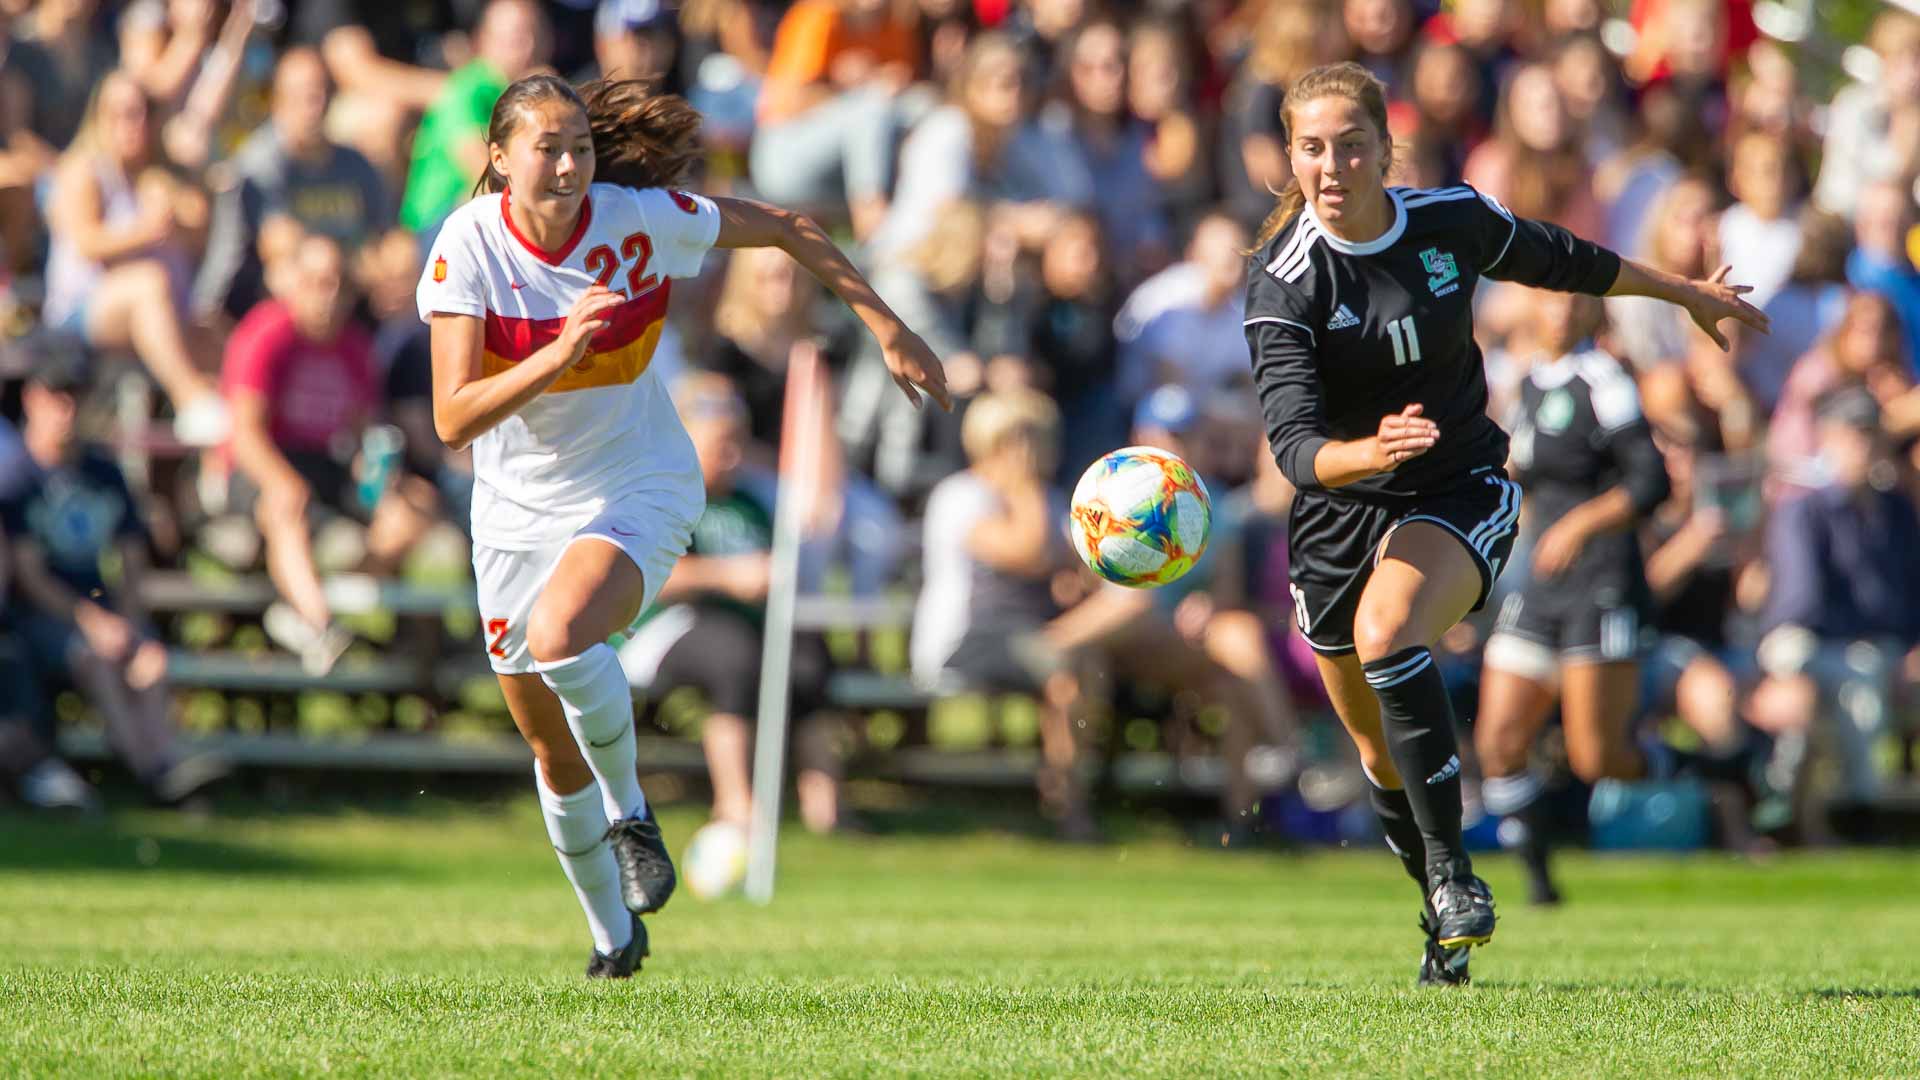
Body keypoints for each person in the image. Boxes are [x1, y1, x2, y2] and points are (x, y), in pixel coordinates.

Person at [1242, 61, 1764, 985]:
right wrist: (1369, 451)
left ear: (1385, 149)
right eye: (1312, 148)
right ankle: (1441, 922)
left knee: (1388, 633)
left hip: (1458, 488)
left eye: (1351, 145)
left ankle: (1455, 879)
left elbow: (1564, 258)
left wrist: (1680, 290)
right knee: (1375, 750)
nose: (1332, 166)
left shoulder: (1448, 219)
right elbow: (1294, 449)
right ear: (1290, 156)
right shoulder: (1282, 281)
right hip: (1338, 513)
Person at [417, 73, 947, 979]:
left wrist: (886, 326)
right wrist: (560, 352)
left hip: (640, 484)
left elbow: (788, 227)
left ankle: (632, 817)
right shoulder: (468, 244)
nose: (569, 166)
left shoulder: (637, 220)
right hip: (513, 515)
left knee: (561, 635)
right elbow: (452, 419)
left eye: (580, 147)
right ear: (498, 158)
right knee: (551, 752)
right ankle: (612, 940)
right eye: (547, 149)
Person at [1473, 290, 1671, 906]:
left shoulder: (1604, 379)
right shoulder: (1527, 381)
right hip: (1542, 584)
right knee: (1498, 741)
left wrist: (1579, 526)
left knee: (1595, 756)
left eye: (1574, 301)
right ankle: (1537, 877)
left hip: (1602, 581)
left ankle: (1713, 771)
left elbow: (1652, 481)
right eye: (1551, 298)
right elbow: (1520, 476)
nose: (1561, 311)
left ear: (1591, 310)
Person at [0, 347, 228, 807]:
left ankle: (165, 762)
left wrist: (130, 620)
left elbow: (130, 558)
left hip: (102, 606)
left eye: (76, 396)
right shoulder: (18, 477)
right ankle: (155, 774)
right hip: (45, 617)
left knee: (149, 661)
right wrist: (94, 622)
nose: (68, 409)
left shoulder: (103, 471)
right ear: (32, 399)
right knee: (98, 660)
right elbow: (30, 577)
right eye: (58, 397)